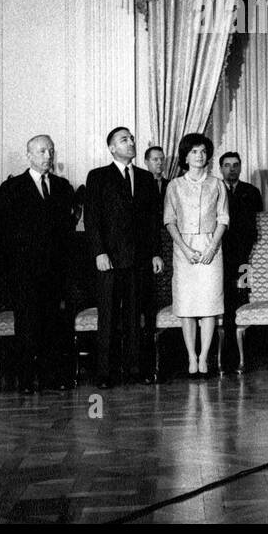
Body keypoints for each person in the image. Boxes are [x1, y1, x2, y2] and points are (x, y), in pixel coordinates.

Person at [0, 134, 77, 392]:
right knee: (27, 327)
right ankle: (27, 380)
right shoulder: (11, 188)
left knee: (54, 325)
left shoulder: (63, 187)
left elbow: (67, 233)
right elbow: (2, 235)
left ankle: (53, 377)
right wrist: (9, 274)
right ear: (28, 155)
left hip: (55, 272)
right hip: (24, 273)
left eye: (51, 150)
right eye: (41, 151)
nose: (48, 156)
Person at [84, 127, 164, 387]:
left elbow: (153, 221)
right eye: (124, 140)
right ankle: (105, 373)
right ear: (111, 148)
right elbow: (92, 218)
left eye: (131, 139)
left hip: (139, 260)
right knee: (107, 317)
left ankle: (135, 369)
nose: (130, 142)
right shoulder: (98, 176)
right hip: (109, 259)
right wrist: (99, 252)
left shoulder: (145, 178)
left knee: (134, 316)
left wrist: (155, 254)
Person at [164, 132, 229, 375]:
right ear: (186, 156)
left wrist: (212, 247)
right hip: (184, 250)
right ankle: (191, 357)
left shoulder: (217, 184)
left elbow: (223, 218)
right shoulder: (175, 185)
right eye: (194, 152)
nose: (199, 156)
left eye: (203, 151)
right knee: (188, 305)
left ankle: (204, 358)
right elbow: (169, 221)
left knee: (209, 304)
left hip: (212, 248)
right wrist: (185, 248)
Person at [219, 151, 262, 373]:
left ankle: (248, 349)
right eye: (227, 165)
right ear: (220, 168)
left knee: (244, 296)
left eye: (236, 165)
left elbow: (256, 222)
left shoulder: (251, 192)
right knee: (224, 300)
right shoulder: (215, 189)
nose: (232, 169)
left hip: (245, 255)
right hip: (220, 255)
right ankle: (227, 352)